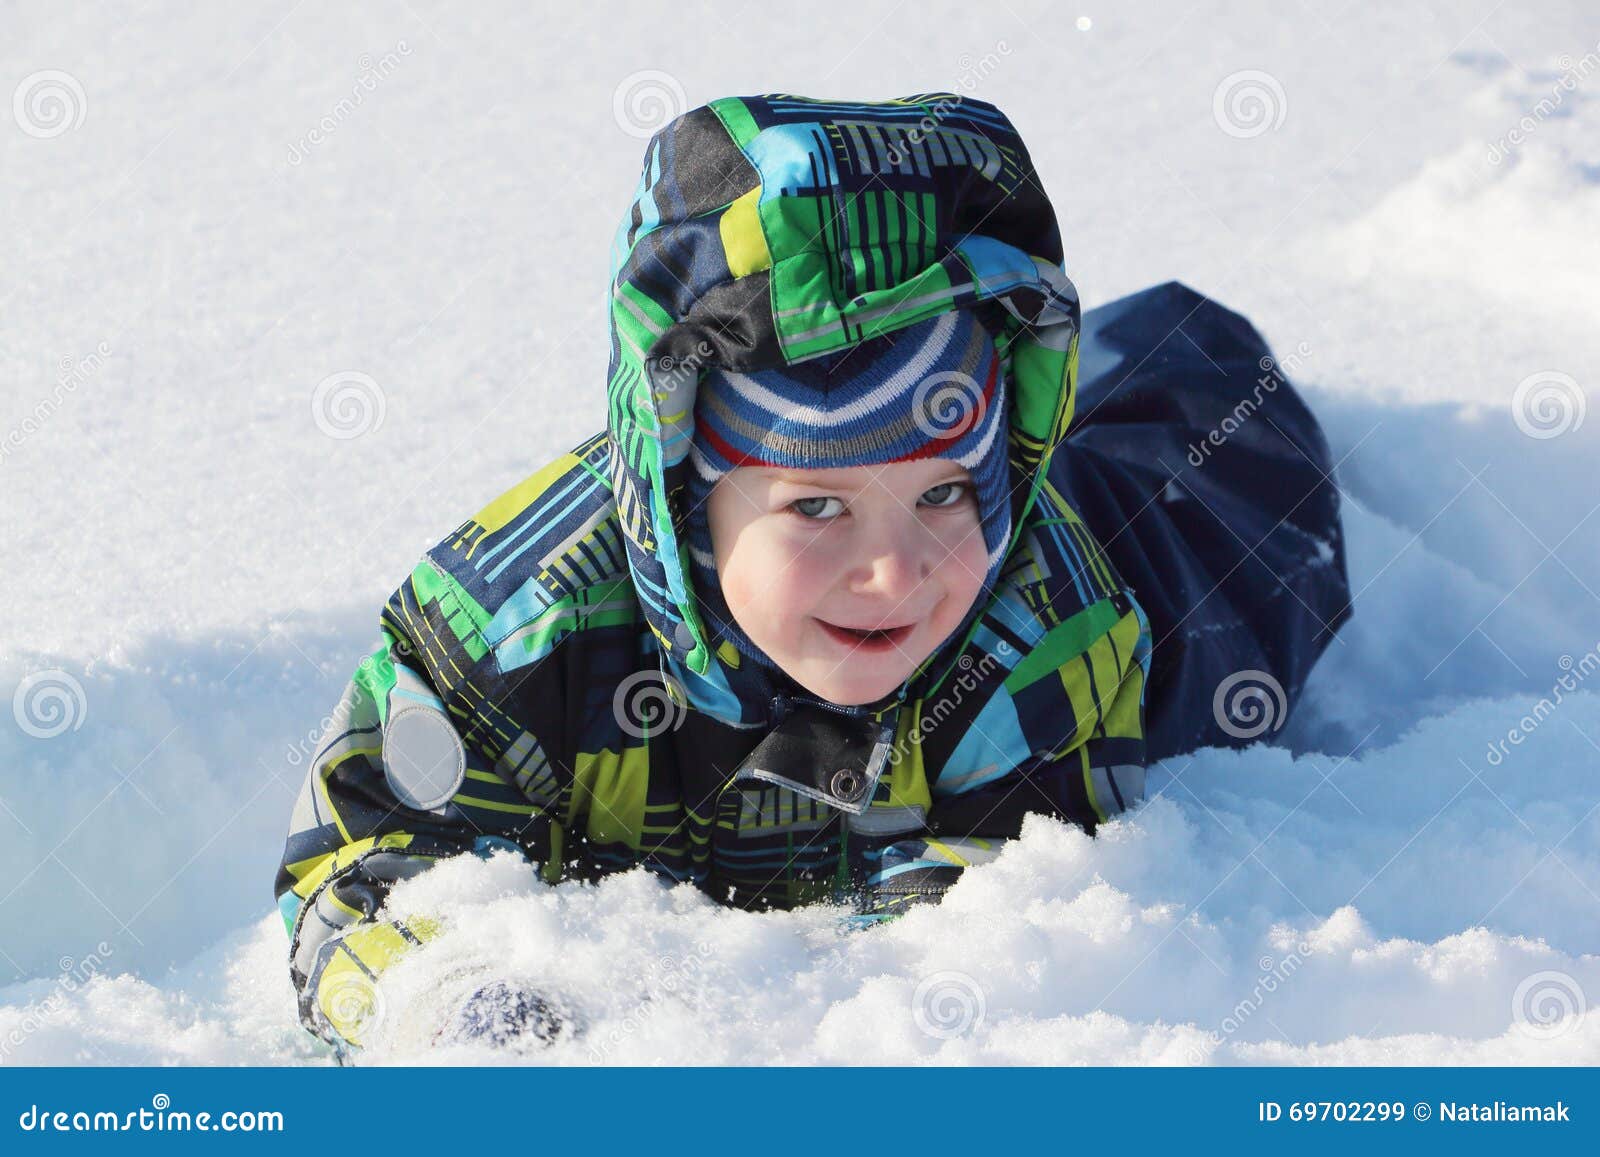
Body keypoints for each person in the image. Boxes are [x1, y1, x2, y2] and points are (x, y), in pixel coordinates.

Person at [273, 92, 1351, 1057]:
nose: (892, 571)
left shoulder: (1043, 633)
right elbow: (369, 853)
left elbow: (985, 947)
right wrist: (453, 998)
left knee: (1232, 508)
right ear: (687, 495)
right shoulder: (511, 628)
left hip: (1158, 532)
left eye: (941, 493)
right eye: (815, 507)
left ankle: (1165, 359)